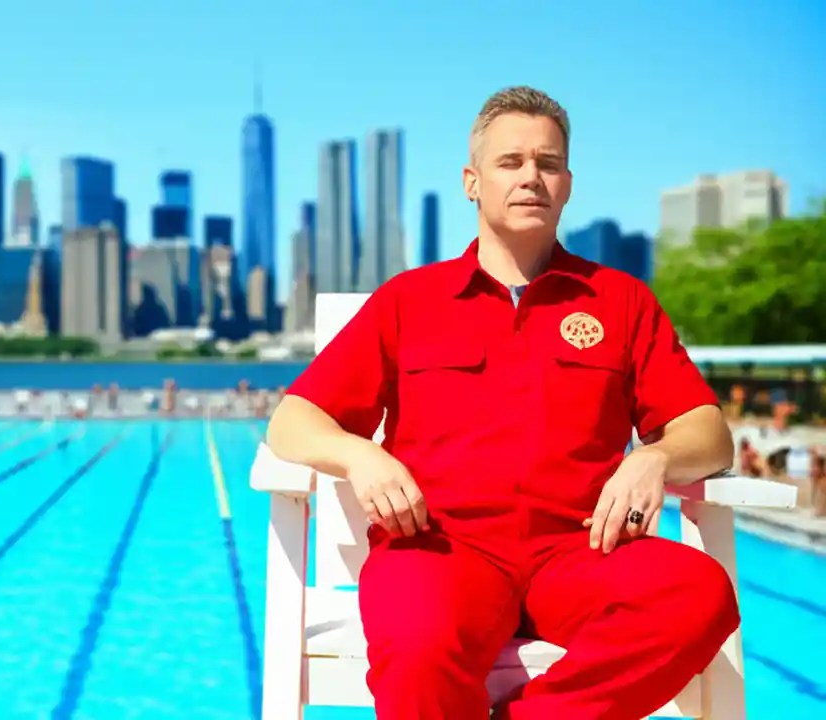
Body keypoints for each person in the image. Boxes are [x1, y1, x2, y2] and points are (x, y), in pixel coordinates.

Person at [265, 86, 739, 719]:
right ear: (472, 182)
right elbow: (292, 421)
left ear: (568, 183)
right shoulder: (410, 301)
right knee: (418, 648)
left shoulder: (620, 301)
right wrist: (358, 455)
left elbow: (709, 434)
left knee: (699, 596)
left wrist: (654, 458)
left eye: (547, 164)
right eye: (510, 163)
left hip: (582, 553)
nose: (531, 179)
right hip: (440, 549)